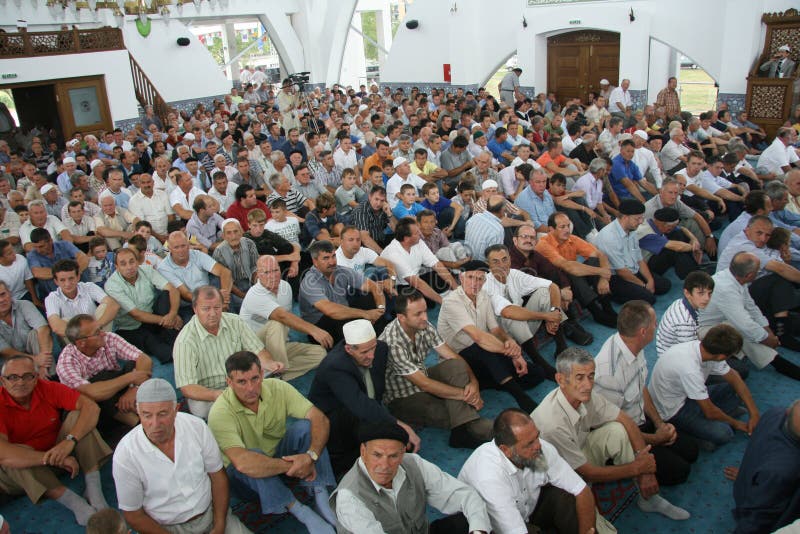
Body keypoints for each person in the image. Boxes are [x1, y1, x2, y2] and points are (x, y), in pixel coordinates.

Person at [532, 348, 690, 520]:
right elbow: (588, 472)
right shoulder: (552, 424)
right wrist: (639, 467)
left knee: (617, 429)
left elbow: (625, 420)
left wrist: (645, 471)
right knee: (594, 525)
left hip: (577, 452)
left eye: (591, 376)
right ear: (561, 379)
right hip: (552, 480)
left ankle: (648, 500)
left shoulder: (585, 395)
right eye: (580, 377)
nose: (588, 385)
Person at [208, 351, 337, 533]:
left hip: (278, 456)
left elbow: (319, 418)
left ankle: (319, 492)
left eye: (254, 378)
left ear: (262, 374)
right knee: (251, 458)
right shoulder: (220, 412)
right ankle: (301, 512)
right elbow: (243, 463)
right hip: (245, 479)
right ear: (229, 383)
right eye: (241, 382)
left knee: (305, 427)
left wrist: (311, 456)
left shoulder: (277, 387)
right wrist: (294, 465)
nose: (250, 388)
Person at [112, 378, 252, 534]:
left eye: (162, 414)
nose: (155, 423)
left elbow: (218, 477)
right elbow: (133, 515)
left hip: (211, 514)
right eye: (147, 415)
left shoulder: (197, 427)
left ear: (176, 409)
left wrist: (219, 524)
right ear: (138, 412)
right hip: (165, 529)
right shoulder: (125, 455)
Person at [458, 408, 615, 534]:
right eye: (529, 444)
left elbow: (582, 491)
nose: (538, 446)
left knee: (567, 499)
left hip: (526, 509)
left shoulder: (540, 449)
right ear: (506, 450)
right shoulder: (489, 476)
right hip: (494, 526)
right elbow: (514, 530)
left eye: (537, 437)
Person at [594, 301, 699, 486]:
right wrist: (656, 439)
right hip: (625, 435)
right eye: (654, 323)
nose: (656, 326)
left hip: (640, 419)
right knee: (681, 472)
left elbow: (641, 387)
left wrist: (660, 424)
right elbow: (615, 429)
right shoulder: (608, 375)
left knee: (692, 451)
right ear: (643, 332)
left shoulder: (633, 345)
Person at [0, 355, 112, 526]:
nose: (20, 382)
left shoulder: (47, 388)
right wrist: (52, 457)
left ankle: (94, 488)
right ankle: (75, 503)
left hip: (59, 452)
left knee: (78, 418)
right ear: (3, 381)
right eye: (13, 377)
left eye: (27, 376)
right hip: (23, 473)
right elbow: (4, 453)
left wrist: (69, 441)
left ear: (36, 378)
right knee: (13, 455)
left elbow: (91, 407)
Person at [331, 421, 492, 534]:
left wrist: (478, 531)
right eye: (377, 455)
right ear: (363, 451)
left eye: (393, 456)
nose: (384, 465)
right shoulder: (349, 496)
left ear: (403, 453)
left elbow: (466, 496)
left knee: (473, 520)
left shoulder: (413, 463)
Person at [308, 318, 422, 476]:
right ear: (349, 349)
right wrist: (399, 425)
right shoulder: (334, 366)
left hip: (363, 407)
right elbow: (359, 404)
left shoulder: (380, 349)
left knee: (399, 442)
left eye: (373, 348)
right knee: (394, 438)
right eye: (364, 352)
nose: (372, 356)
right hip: (334, 417)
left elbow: (374, 396)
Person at [439, 260, 540, 412]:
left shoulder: (483, 296)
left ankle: (492, 381)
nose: (475, 283)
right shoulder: (451, 302)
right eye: (471, 277)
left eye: (480, 279)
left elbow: (495, 330)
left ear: (485, 281)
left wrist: (510, 342)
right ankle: (522, 399)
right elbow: (478, 337)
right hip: (459, 357)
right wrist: (513, 354)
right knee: (484, 351)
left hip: (484, 349)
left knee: (536, 374)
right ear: (461, 278)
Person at [174, 285, 284, 419]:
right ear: (195, 309)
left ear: (222, 306)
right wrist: (216, 394)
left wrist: (270, 363)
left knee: (268, 371)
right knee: (201, 409)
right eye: (206, 309)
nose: (213, 314)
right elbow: (187, 387)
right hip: (210, 390)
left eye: (217, 307)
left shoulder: (235, 321)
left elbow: (258, 350)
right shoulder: (185, 341)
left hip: (241, 379)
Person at [649, 324, 759, 449]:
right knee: (725, 434)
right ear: (722, 356)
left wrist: (754, 413)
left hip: (688, 395)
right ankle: (689, 434)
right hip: (673, 411)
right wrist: (738, 425)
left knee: (735, 385)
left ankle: (711, 421)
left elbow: (734, 377)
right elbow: (710, 412)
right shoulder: (690, 368)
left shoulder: (705, 349)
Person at [700, 252, 800, 380]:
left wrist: (768, 332)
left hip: (721, 320)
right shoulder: (726, 289)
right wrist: (768, 340)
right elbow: (745, 325)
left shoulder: (735, 277)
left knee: (745, 327)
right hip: (702, 328)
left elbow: (751, 307)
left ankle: (738, 354)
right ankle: (780, 364)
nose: (760, 272)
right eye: (758, 270)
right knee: (738, 330)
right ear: (749, 275)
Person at [484, 243, 574, 376]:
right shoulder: (486, 284)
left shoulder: (514, 274)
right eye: (495, 262)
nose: (502, 265)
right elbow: (508, 312)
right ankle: (538, 361)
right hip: (502, 336)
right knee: (514, 315)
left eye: (505, 259)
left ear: (510, 258)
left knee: (544, 292)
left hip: (522, 329)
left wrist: (555, 312)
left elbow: (552, 286)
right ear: (488, 264)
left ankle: (561, 346)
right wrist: (546, 316)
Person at [240, 255, 328, 380]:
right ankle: (275, 373)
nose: (273, 275)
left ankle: (273, 373)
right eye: (267, 272)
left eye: (275, 270)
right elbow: (283, 317)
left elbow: (289, 319)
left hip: (279, 344)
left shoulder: (286, 287)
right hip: (255, 348)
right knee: (277, 323)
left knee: (320, 354)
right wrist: (314, 330)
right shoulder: (255, 295)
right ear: (258, 274)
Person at [56, 314, 152, 428]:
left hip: (116, 387)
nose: (103, 333)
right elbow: (91, 392)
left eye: (100, 328)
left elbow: (144, 359)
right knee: (99, 384)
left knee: (134, 364)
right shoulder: (66, 362)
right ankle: (139, 424)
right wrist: (131, 378)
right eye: (97, 332)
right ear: (81, 342)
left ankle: (144, 411)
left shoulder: (108, 338)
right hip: (92, 405)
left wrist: (133, 389)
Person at [535, 212, 619, 328]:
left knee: (594, 261)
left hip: (573, 276)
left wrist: (604, 278)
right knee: (571, 271)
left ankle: (607, 307)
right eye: (562, 227)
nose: (567, 230)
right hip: (556, 284)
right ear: (551, 229)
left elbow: (600, 254)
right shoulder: (543, 245)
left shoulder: (572, 238)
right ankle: (596, 312)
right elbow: (567, 266)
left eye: (568, 226)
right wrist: (601, 271)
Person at [299, 240, 387, 345]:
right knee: (342, 322)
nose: (332, 262)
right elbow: (330, 311)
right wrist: (366, 314)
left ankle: (379, 342)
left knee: (369, 298)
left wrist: (380, 310)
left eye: (333, 256)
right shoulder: (310, 282)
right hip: (321, 325)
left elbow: (373, 286)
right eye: (326, 258)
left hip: (344, 314)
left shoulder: (342, 271)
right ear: (315, 261)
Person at [731, 400, 800, 533]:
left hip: (748, 483)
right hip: (758, 499)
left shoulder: (775, 412)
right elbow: (758, 517)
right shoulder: (785, 470)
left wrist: (751, 476)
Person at [593, 198, 670, 304]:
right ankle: (614, 295)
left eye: (642, 218)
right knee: (649, 299)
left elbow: (639, 259)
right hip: (616, 277)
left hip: (633, 270)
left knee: (664, 285)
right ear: (625, 217)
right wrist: (643, 285)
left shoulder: (632, 230)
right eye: (637, 219)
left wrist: (650, 280)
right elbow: (621, 271)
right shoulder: (609, 236)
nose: (641, 221)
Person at [379, 216, 457, 307]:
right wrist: (443, 302)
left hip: (416, 277)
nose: (420, 234)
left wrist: (457, 289)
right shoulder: (394, 254)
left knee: (447, 277)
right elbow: (418, 284)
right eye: (417, 233)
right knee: (423, 301)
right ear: (406, 238)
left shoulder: (418, 242)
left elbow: (437, 264)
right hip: (398, 286)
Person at [157, 231, 233, 315]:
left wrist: (224, 297)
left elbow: (225, 272)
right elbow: (186, 294)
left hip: (212, 295)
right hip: (189, 305)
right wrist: (213, 300)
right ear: (169, 248)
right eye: (176, 247)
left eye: (183, 246)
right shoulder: (164, 267)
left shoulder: (197, 255)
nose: (180, 250)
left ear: (188, 245)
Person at [44, 259, 119, 340]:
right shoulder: (52, 298)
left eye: (71, 278)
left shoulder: (89, 287)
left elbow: (113, 305)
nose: (67, 284)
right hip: (75, 340)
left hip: (98, 331)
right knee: (64, 321)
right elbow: (56, 326)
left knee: (105, 307)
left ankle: (105, 344)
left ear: (78, 277)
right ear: (56, 282)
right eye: (62, 280)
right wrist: (85, 335)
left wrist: (97, 326)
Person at [0, 281, 54, 377]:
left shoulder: (24, 305)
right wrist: (35, 359)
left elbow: (43, 329)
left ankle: (50, 377)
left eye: (3, 294)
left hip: (35, 353)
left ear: (10, 292)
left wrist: (43, 360)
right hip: (8, 361)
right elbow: (5, 351)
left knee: (36, 333)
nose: (1, 300)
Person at [655, 270, 714, 357]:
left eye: (709, 293)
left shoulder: (681, 302)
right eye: (701, 293)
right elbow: (689, 355)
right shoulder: (685, 322)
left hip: (673, 346)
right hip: (673, 359)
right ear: (687, 293)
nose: (707, 298)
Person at [636, 207, 702, 280]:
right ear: (663, 224)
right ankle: (693, 277)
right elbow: (679, 248)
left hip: (654, 255)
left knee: (678, 233)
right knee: (673, 251)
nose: (673, 228)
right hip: (644, 266)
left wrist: (694, 239)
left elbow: (682, 229)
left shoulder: (653, 222)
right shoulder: (646, 233)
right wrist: (694, 248)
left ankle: (693, 267)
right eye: (671, 227)